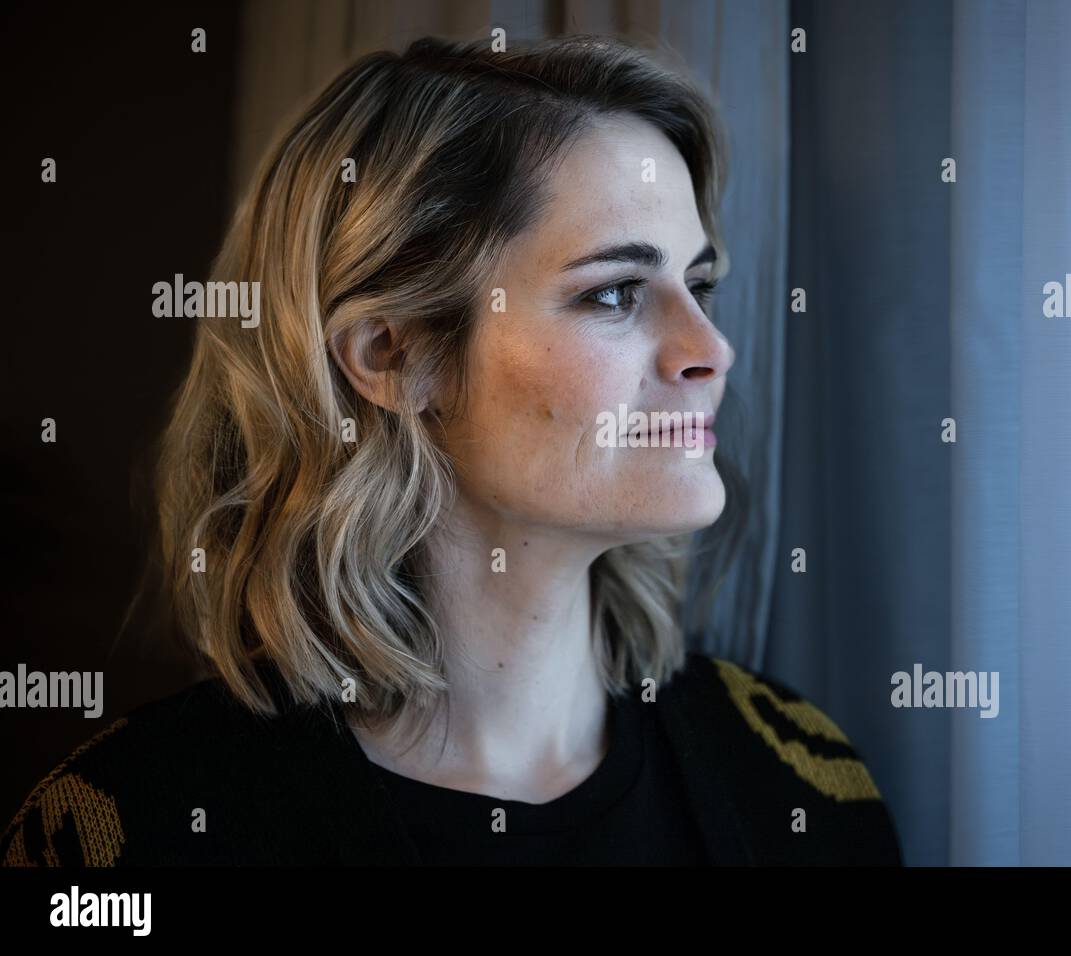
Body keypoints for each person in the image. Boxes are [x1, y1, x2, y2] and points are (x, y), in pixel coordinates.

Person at [2, 34, 902, 866]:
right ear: (395, 356)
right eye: (616, 293)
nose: (711, 348)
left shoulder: (798, 786)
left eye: (697, 281)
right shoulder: (125, 833)